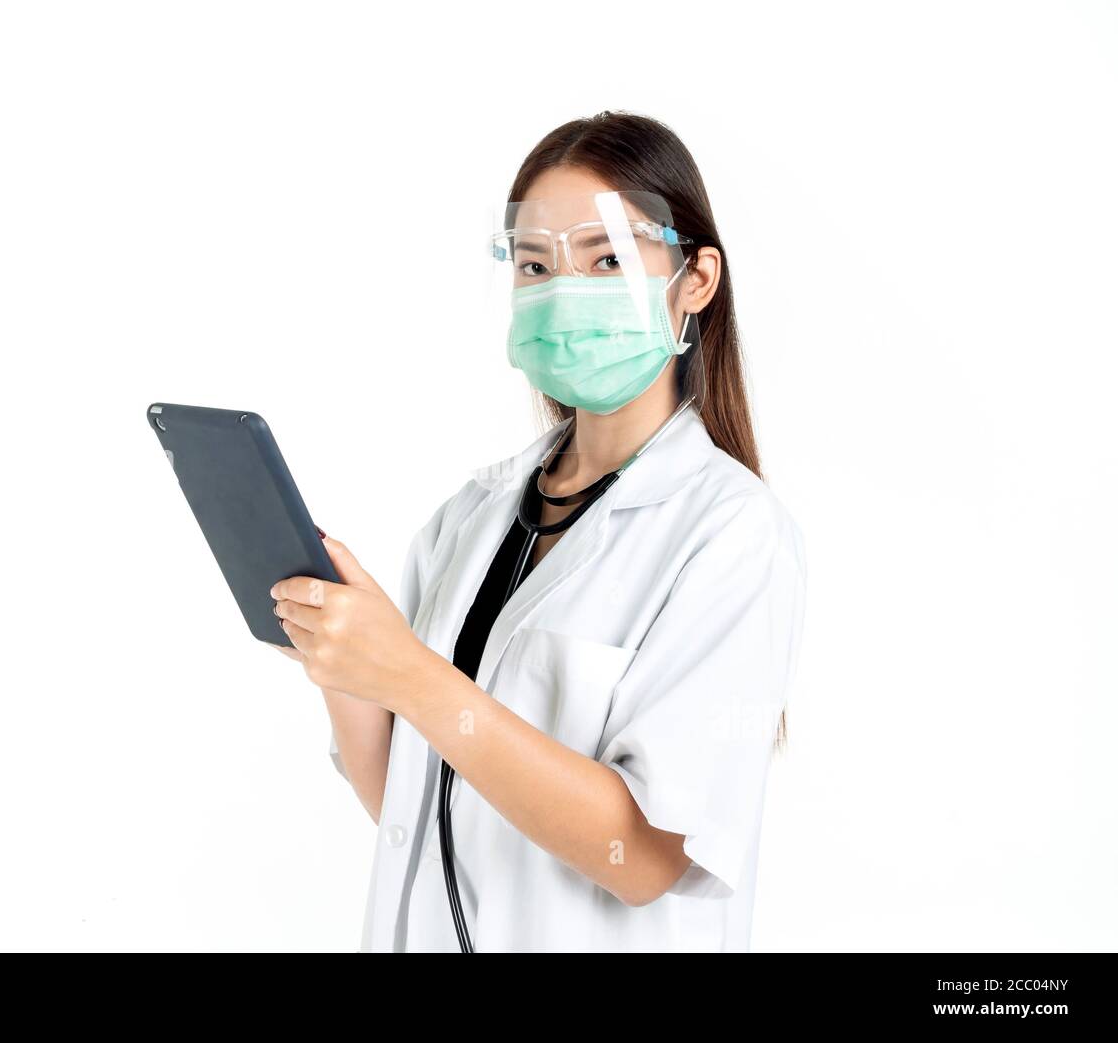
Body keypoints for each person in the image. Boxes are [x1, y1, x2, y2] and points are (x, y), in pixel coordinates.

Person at [268, 111, 807, 953]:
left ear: (696, 277)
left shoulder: (731, 533)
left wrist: (409, 675)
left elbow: (646, 858)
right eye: (534, 263)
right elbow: (411, 803)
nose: (566, 290)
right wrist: (344, 664)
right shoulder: (473, 516)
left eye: (607, 258)